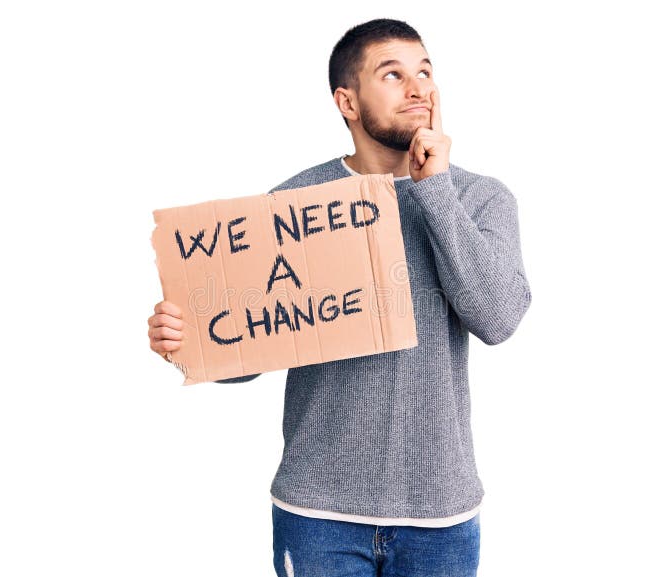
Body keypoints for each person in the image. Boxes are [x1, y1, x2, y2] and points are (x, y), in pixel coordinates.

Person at [148, 18, 531, 577]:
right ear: (347, 101)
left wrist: (436, 192)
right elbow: (250, 349)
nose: (419, 88)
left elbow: (497, 318)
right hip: (318, 511)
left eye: (425, 72)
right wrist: (189, 340)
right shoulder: (296, 205)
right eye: (393, 74)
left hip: (440, 515)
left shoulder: (478, 198)